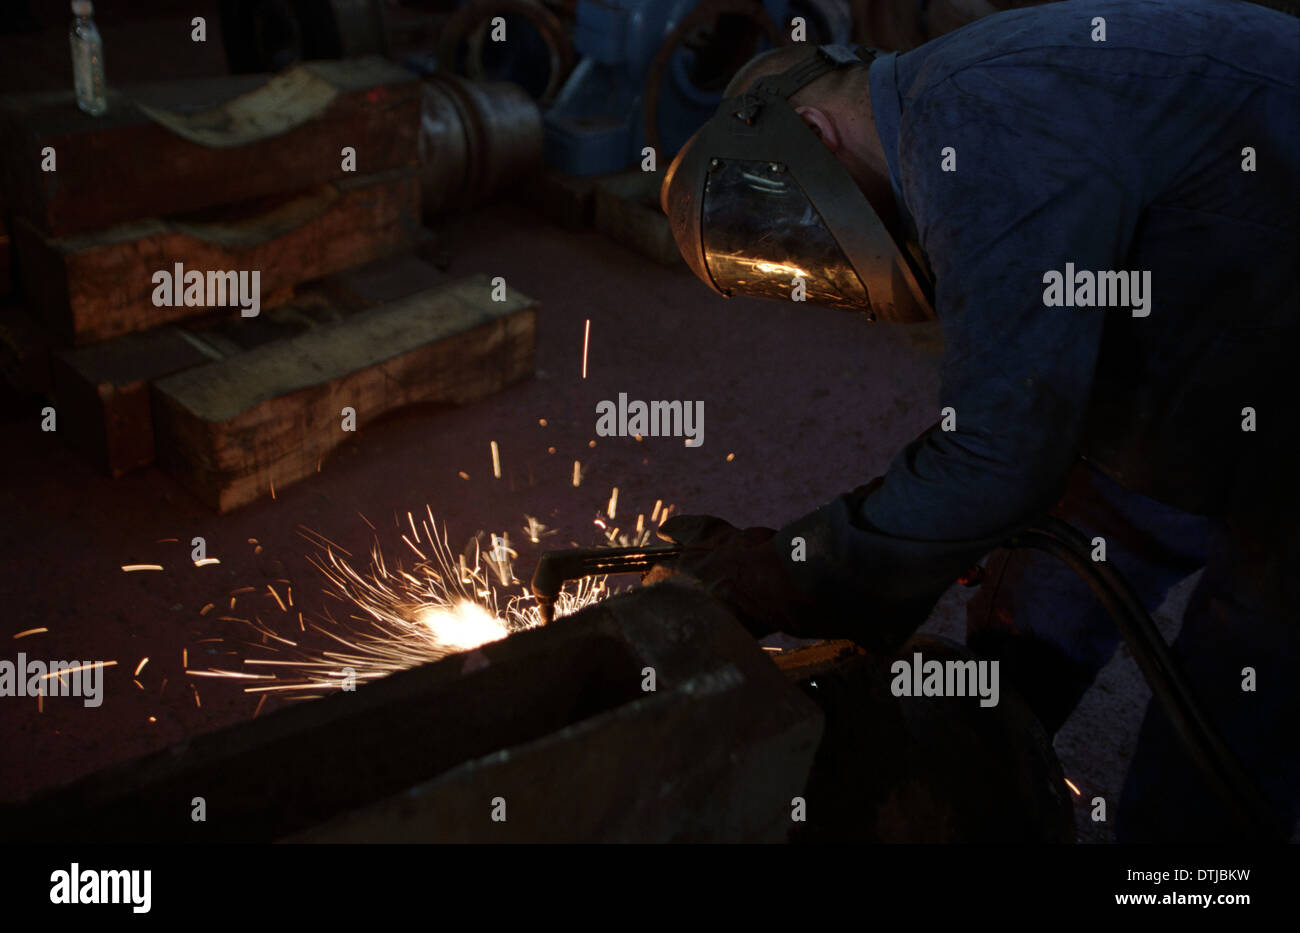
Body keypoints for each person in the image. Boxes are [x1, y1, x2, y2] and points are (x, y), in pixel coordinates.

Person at [657, 0, 1298, 842]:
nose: (814, 266)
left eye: (796, 241)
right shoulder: (948, 108)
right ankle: (981, 766)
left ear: (814, 132)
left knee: (1240, 681)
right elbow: (1020, 426)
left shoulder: (979, 129)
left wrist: (784, 574)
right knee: (1048, 584)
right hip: (1235, 288)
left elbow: (1000, 455)